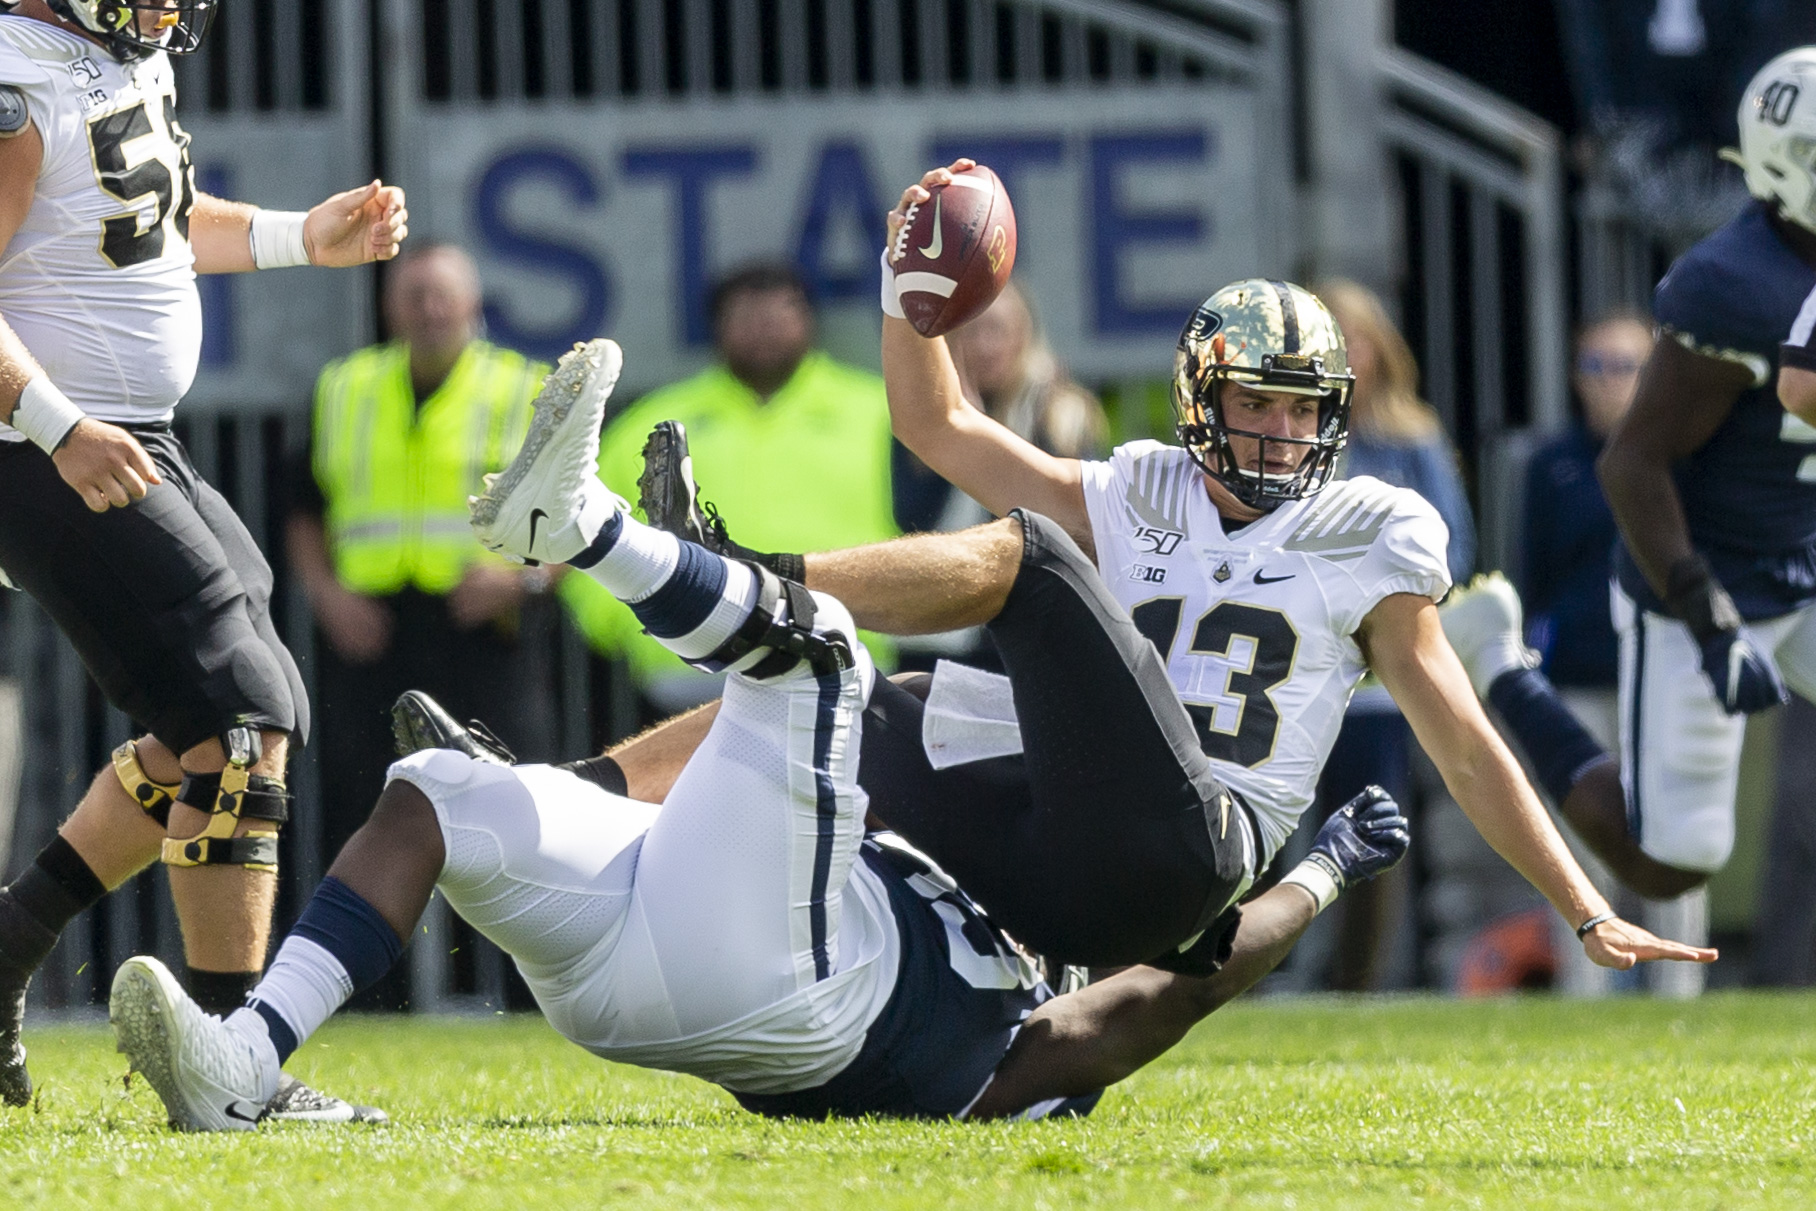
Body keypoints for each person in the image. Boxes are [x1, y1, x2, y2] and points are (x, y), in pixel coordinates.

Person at [108, 338, 1417, 1130]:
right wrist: (1325, 862)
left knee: (829, 660)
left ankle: (601, 538)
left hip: (821, 995)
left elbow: (1154, 1004)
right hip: (703, 963)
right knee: (433, 788)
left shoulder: (1038, 1034)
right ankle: (245, 1059)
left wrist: (1315, 873)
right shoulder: (1027, 918)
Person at [639, 159, 1712, 980]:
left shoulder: (1370, 527)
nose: (1282, 430)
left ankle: (747, 578)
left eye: (1302, 406)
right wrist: (904, 291)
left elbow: (1465, 742)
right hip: (1078, 822)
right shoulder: (1144, 486)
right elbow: (939, 423)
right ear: (1205, 400)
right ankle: (569, 793)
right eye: (1257, 400)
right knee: (860, 700)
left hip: (1200, 837)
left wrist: (1582, 900)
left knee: (1024, 557)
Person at [0, 0, 405, 1117]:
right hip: (47, 441)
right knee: (242, 713)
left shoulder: (107, 55)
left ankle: (6, 945)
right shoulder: (14, 73)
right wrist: (55, 427)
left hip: (126, 434)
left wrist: (297, 236)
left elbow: (148, 220)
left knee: (210, 734)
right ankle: (233, 1063)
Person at [1437, 50, 1816, 994]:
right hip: (1704, 577)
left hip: (1803, 563)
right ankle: (1504, 671)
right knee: (1670, 857)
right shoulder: (1736, 285)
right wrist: (1708, 613)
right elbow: (1631, 462)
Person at [286, 243, 559, 937]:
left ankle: (514, 984)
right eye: (415, 295)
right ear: (389, 306)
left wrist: (522, 579)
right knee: (362, 799)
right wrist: (325, 594)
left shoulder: (525, 387)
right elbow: (301, 504)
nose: (430, 310)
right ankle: (364, 982)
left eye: (444, 294)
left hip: (482, 625)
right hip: (368, 628)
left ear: (473, 303)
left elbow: (579, 512)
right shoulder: (343, 385)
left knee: (509, 797)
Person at [564, 261, 899, 716]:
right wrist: (630, 624)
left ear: (810, 321)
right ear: (716, 328)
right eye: (746, 318)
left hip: (844, 659)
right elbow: (585, 527)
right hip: (691, 675)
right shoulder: (653, 422)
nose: (764, 331)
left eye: (778, 316)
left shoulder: (879, 412)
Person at [1302, 278, 1475, 990]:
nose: (1344, 355)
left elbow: (1451, 550)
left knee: (1367, 828)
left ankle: (1357, 980)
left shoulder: (1413, 438)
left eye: (1357, 339)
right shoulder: (1284, 431)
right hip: (1294, 665)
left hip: (1374, 681)